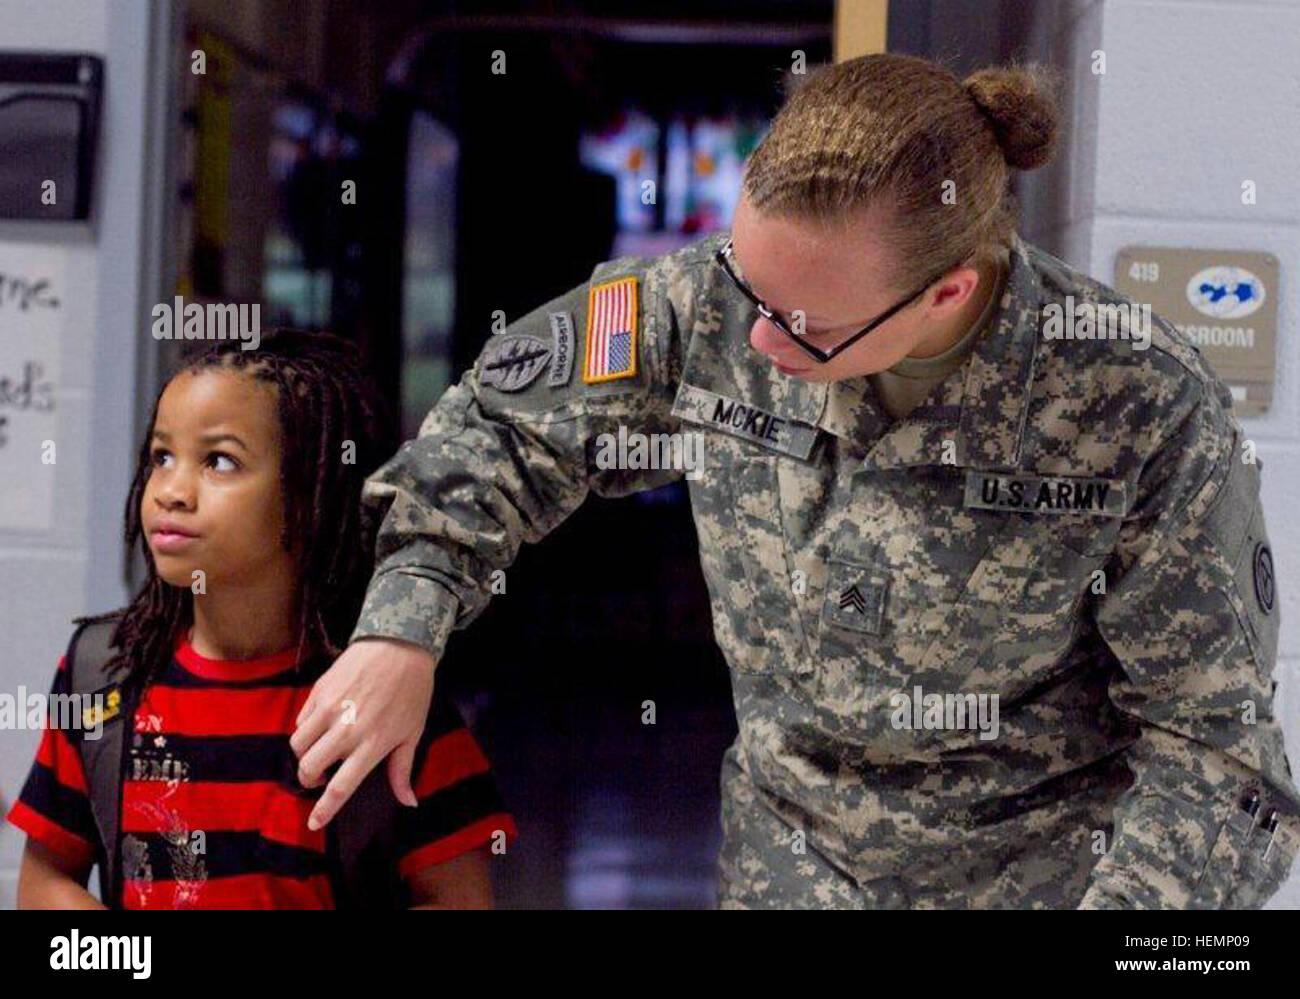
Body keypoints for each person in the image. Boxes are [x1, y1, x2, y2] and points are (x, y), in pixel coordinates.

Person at [289, 53, 1300, 908]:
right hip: (787, 876)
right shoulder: (699, 307)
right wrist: (400, 628)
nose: (760, 341)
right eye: (748, 286)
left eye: (804, 326)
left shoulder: (1134, 398)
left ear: (949, 289)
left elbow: (1215, 756)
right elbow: (493, 437)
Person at [7, 330, 516, 909]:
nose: (171, 490)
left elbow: (458, 901)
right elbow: (44, 884)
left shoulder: (385, 692)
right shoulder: (104, 672)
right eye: (161, 456)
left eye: (220, 461)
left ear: (308, 495)